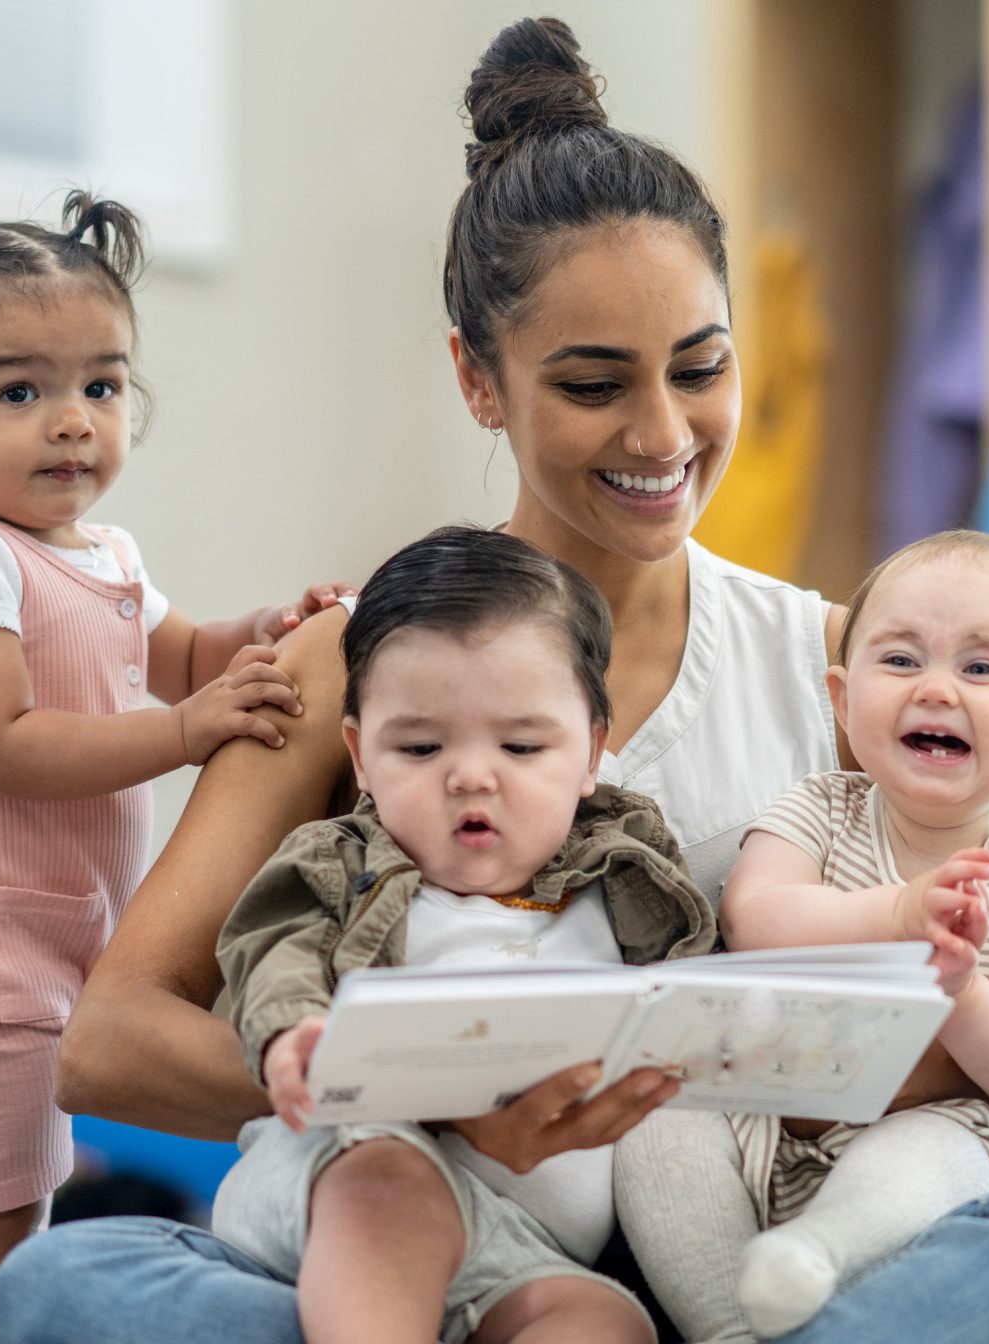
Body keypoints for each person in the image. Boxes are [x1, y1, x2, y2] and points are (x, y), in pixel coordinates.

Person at [0, 18, 989, 1344]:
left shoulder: (849, 667)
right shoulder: (356, 659)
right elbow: (109, 1043)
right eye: (594, 384)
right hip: (434, 1254)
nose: (664, 433)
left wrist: (753, 1082)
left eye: (701, 368)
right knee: (61, 1286)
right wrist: (439, 1096)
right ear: (477, 378)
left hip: (749, 1249)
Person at [0, 198, 347, 1344]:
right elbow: (2, 742)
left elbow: (188, 656)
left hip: (31, 958)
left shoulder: (102, 555)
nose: (71, 422)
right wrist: (186, 732)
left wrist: (277, 631)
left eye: (100, 387)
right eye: (20, 393)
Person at [214, 526, 716, 1344]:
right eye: (419, 747)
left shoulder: (631, 870)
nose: (472, 775)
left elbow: (701, 994)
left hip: (529, 1250)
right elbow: (276, 950)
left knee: (604, 1319)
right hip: (350, 1173)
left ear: (592, 752)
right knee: (391, 1186)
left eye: (522, 746)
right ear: (361, 756)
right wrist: (289, 1035)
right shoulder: (341, 861)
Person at [616, 531, 989, 1340]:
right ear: (842, 700)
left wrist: (962, 995)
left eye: (982, 668)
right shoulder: (819, 808)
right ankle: (729, 1328)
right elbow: (753, 917)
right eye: (901, 660)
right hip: (757, 1121)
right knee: (659, 1122)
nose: (936, 690)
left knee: (931, 1148)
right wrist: (898, 915)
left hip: (932, 1158)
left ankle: (818, 1253)